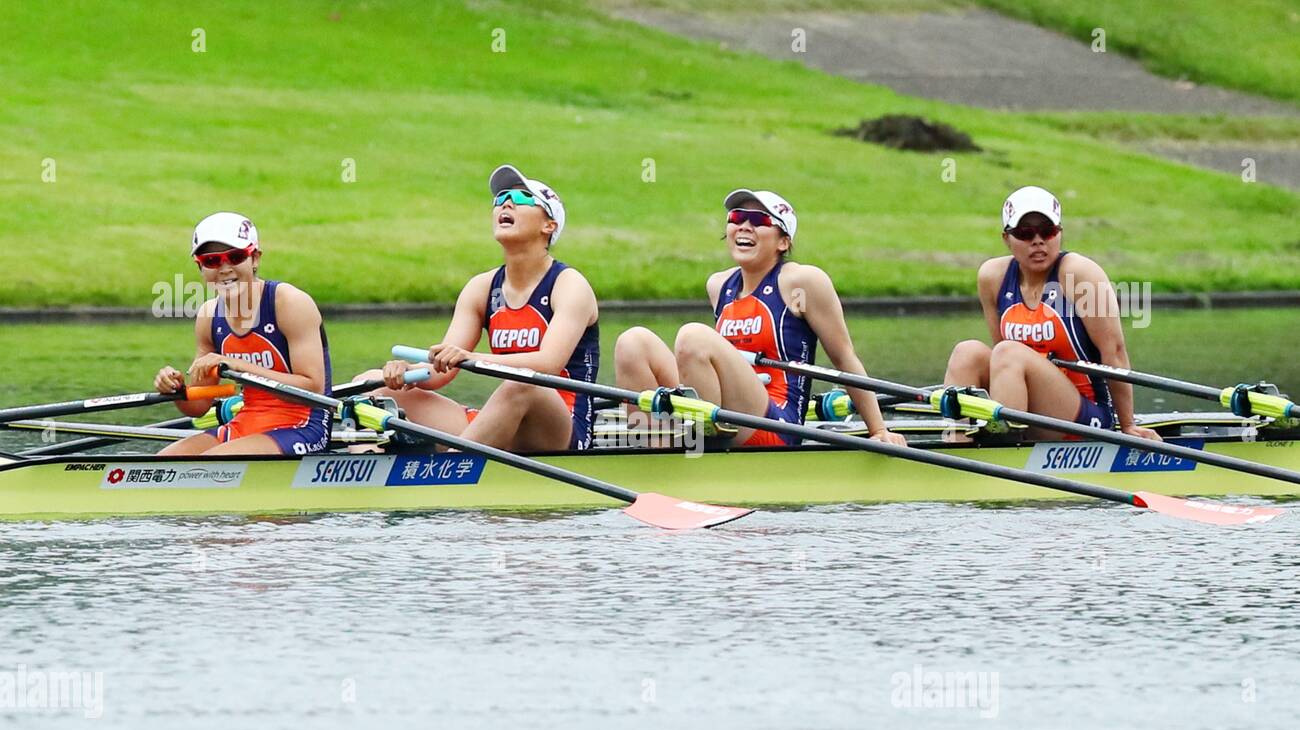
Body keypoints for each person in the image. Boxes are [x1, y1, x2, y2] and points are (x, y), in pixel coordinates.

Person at [613, 189, 905, 447]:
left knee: (693, 337)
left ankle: (701, 445)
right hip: (732, 411)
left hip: (776, 424)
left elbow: (844, 359)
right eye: (737, 217)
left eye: (760, 221)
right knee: (633, 342)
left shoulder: (802, 281)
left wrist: (878, 429)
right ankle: (651, 450)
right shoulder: (719, 285)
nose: (745, 226)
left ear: (783, 242)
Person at [366, 165, 599, 451]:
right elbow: (441, 370)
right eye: (500, 199)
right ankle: (374, 475)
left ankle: (450, 472)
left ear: (548, 225)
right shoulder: (482, 288)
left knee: (522, 383)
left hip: (561, 430)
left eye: (522, 198)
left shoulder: (568, 285)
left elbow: (548, 365)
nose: (507, 203)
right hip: (505, 419)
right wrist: (406, 372)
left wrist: (471, 356)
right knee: (371, 385)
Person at [943, 186, 1160, 441]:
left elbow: (1114, 352)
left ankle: (1004, 451)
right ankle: (955, 445)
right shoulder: (992, 277)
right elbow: (998, 360)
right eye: (1025, 233)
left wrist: (1128, 426)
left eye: (1047, 231)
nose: (1038, 241)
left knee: (1009, 353)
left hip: (1086, 415)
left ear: (1059, 233)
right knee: (966, 353)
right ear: (1006, 239)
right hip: (1027, 406)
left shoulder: (1078, 274)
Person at [153, 212, 332, 457]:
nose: (224, 269)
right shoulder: (209, 315)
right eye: (212, 261)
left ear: (255, 258)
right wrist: (176, 390)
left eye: (236, 257)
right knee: (164, 462)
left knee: (210, 463)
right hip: (247, 423)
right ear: (200, 267)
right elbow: (198, 405)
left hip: (303, 426)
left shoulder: (289, 303)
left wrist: (237, 365)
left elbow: (312, 389)